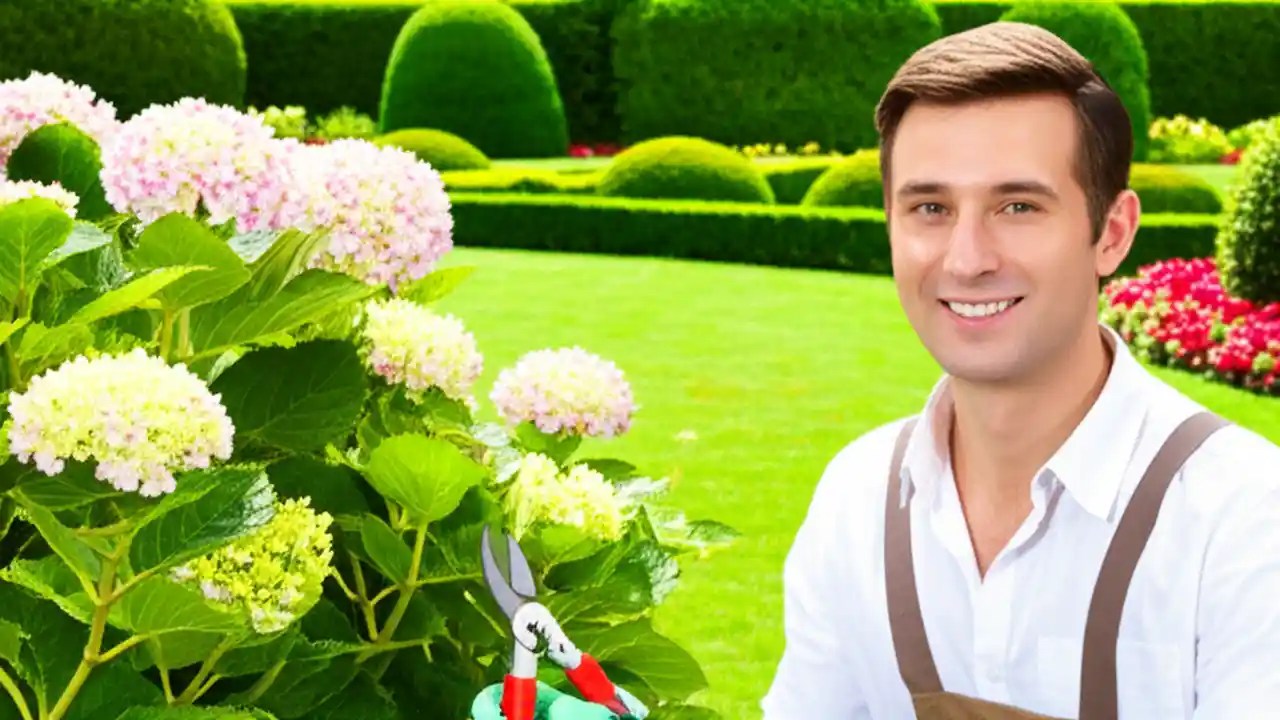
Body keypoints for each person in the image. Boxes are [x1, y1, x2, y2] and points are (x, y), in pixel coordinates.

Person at [760, 20, 1280, 720]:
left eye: (1017, 206)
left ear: (1112, 233)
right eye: (930, 208)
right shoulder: (856, 498)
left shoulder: (1243, 518)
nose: (967, 258)